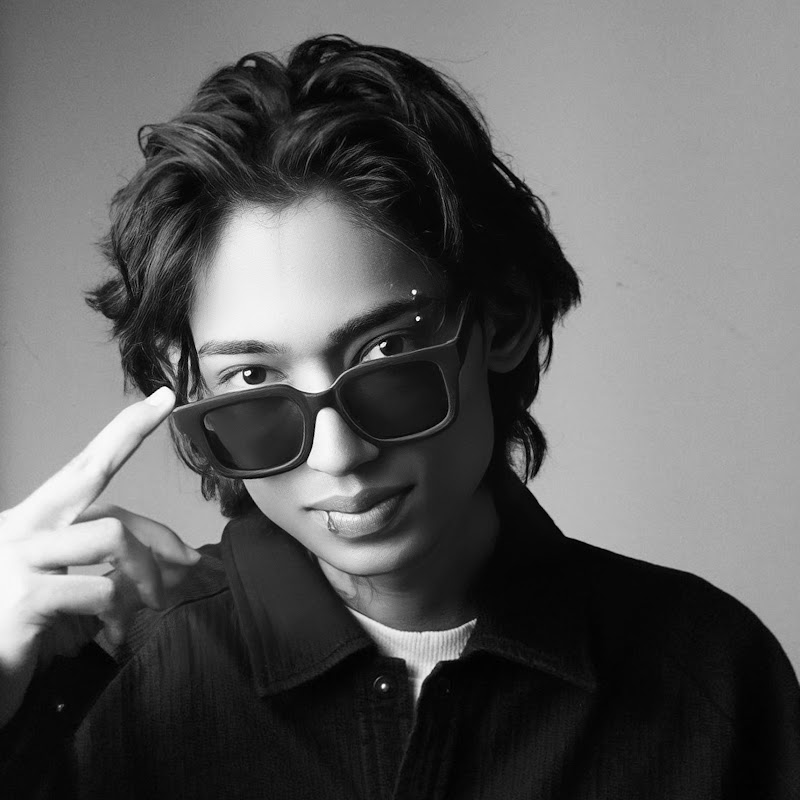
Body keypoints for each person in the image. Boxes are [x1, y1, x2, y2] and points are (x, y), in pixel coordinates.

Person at [0, 33, 798, 799]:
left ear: (504, 316)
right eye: (252, 377)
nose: (339, 454)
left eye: (386, 353)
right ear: (187, 385)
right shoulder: (96, 686)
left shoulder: (711, 674)